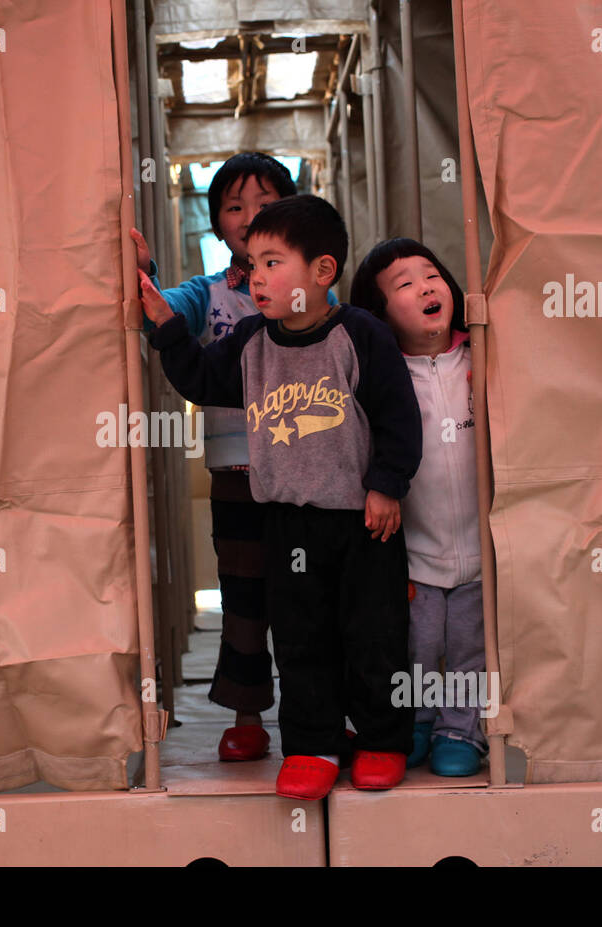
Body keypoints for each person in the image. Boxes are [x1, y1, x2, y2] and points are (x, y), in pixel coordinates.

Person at [138, 195, 421, 799]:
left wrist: (386, 487)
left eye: (273, 263)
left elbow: (399, 416)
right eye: (252, 263)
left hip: (362, 522)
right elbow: (199, 380)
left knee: (373, 634)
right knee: (300, 639)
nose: (257, 276)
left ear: (322, 272)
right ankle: (312, 745)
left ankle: (379, 739)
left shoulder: (360, 336)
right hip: (287, 524)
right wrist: (165, 325)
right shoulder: (251, 342)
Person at [131, 152, 334, 762]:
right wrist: (143, 273)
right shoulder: (206, 294)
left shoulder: (318, 294)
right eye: (234, 207)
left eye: (266, 205)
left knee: (310, 600)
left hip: (310, 477)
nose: (249, 217)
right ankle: (249, 717)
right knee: (244, 600)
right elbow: (161, 313)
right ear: (218, 225)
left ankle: (321, 715)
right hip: (237, 478)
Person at [349, 238, 486, 776]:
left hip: (480, 547)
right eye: (404, 284)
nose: (426, 286)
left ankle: (463, 728)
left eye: (431, 274)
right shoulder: (382, 378)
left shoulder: (479, 359)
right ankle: (421, 719)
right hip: (415, 551)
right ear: (380, 313)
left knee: (472, 646)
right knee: (419, 643)